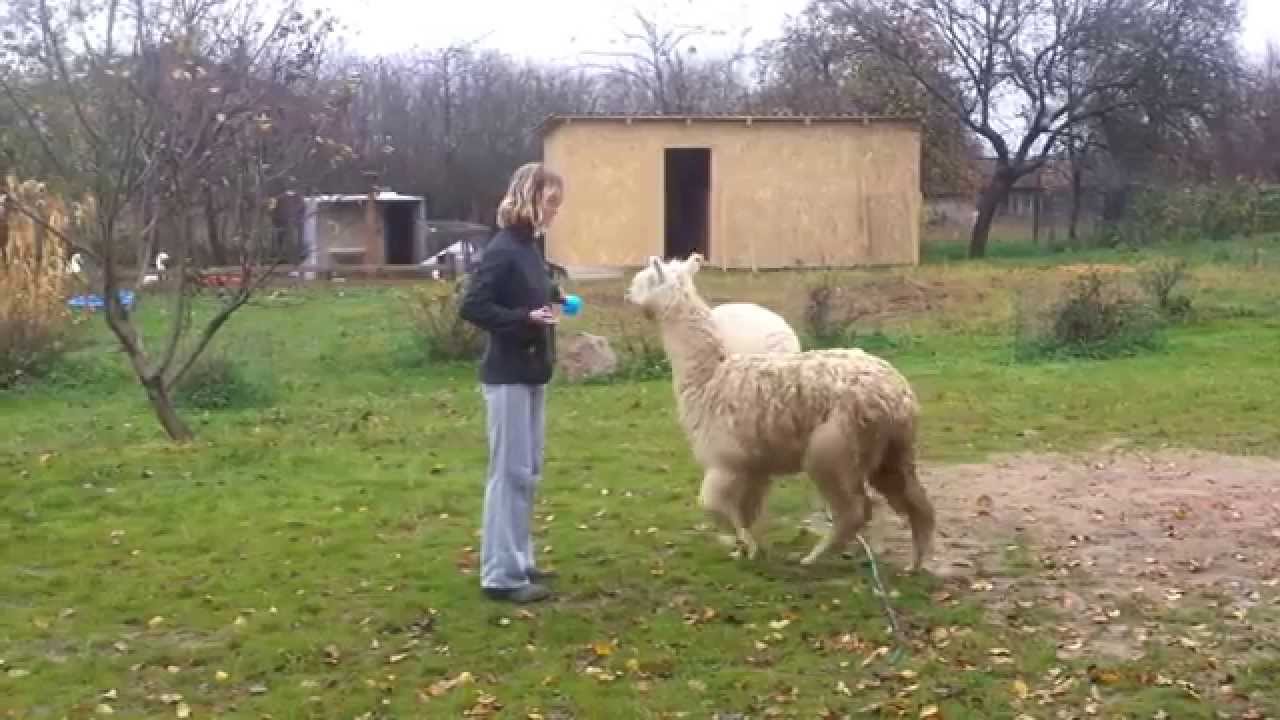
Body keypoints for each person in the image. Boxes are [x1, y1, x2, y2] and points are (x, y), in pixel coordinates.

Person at [458, 162, 567, 604]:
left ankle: (520, 561)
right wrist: (525, 318)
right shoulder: (503, 248)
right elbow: (474, 306)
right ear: (530, 198)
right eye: (551, 201)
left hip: (532, 372)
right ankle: (501, 575)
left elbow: (529, 291)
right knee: (508, 474)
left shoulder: (529, 248)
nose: (556, 210)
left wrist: (555, 299)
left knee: (527, 472)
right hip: (507, 377)